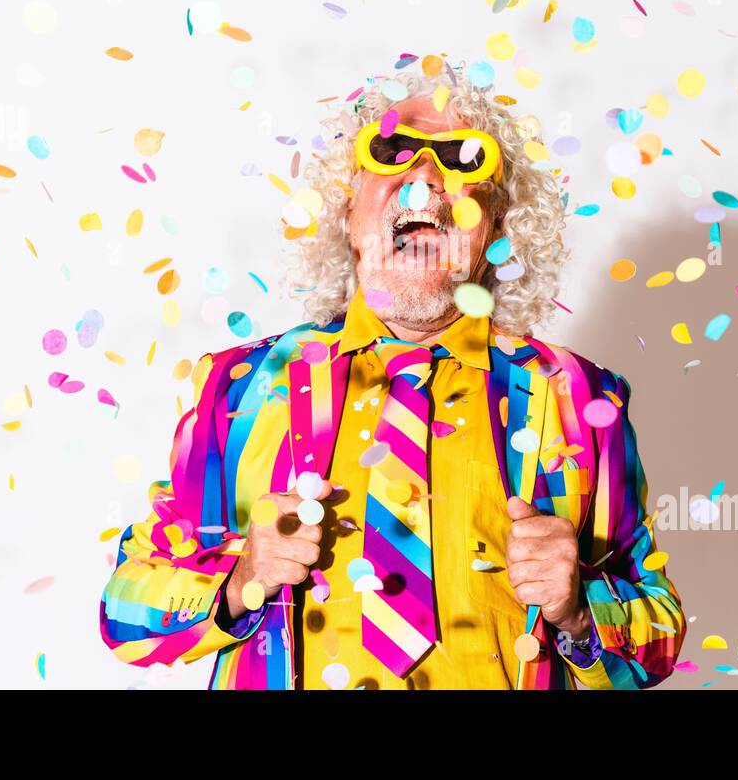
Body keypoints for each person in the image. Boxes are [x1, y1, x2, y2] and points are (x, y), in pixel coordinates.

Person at [100, 60, 685, 689]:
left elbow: (659, 637)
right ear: (347, 208)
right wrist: (243, 578)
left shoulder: (580, 398)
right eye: (392, 150)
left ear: (496, 223)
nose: (423, 181)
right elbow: (126, 614)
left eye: (463, 158)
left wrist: (579, 608)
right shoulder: (241, 385)